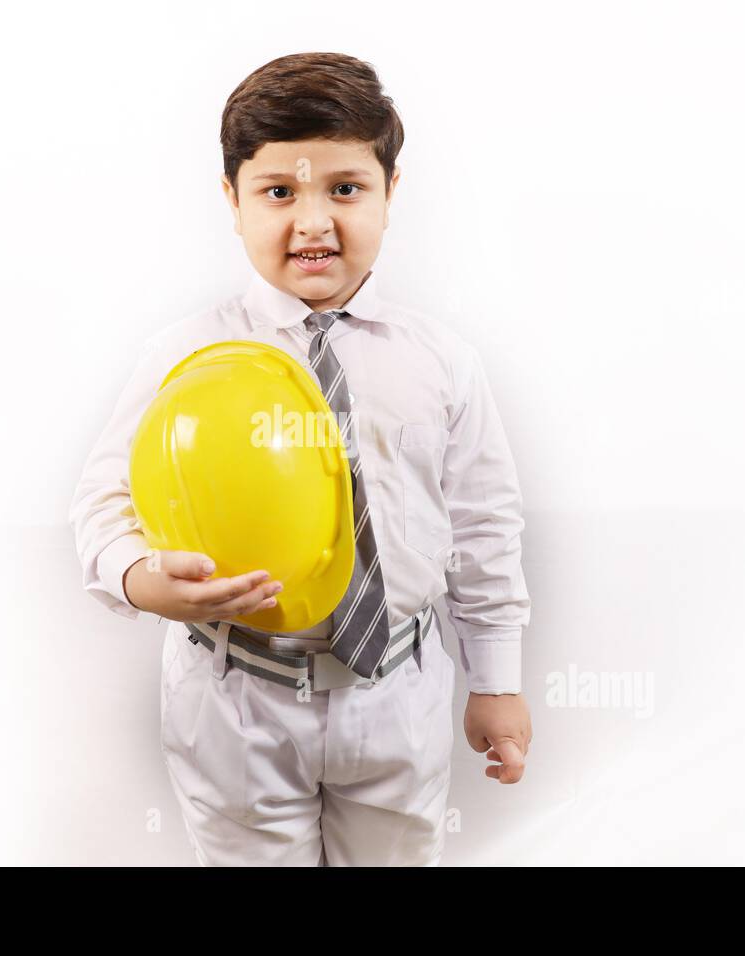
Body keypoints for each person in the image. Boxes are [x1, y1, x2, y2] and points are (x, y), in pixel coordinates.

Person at [68, 51, 532, 866]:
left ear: (392, 190)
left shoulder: (441, 360)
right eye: (279, 191)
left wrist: (495, 680)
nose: (313, 222)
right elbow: (103, 505)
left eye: (345, 188)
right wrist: (141, 579)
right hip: (236, 696)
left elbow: (483, 525)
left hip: (398, 691)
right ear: (232, 201)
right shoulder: (188, 356)